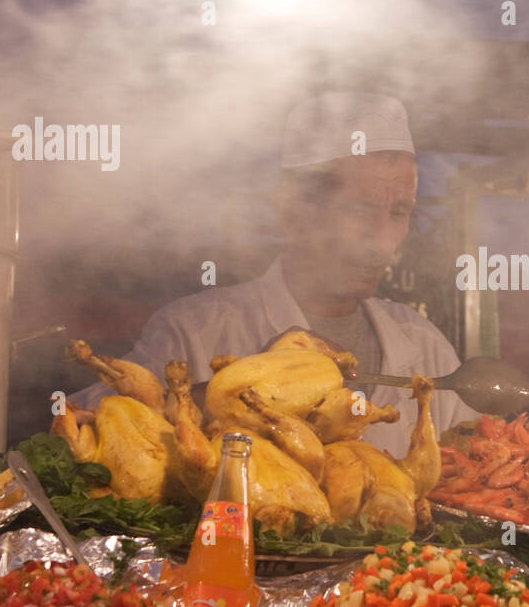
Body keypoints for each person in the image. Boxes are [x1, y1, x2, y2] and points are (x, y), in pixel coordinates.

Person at [70, 92, 478, 456]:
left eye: (399, 212)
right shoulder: (194, 332)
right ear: (291, 209)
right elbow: (76, 433)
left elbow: (472, 474)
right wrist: (220, 392)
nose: (380, 240)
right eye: (359, 210)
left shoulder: (424, 347)